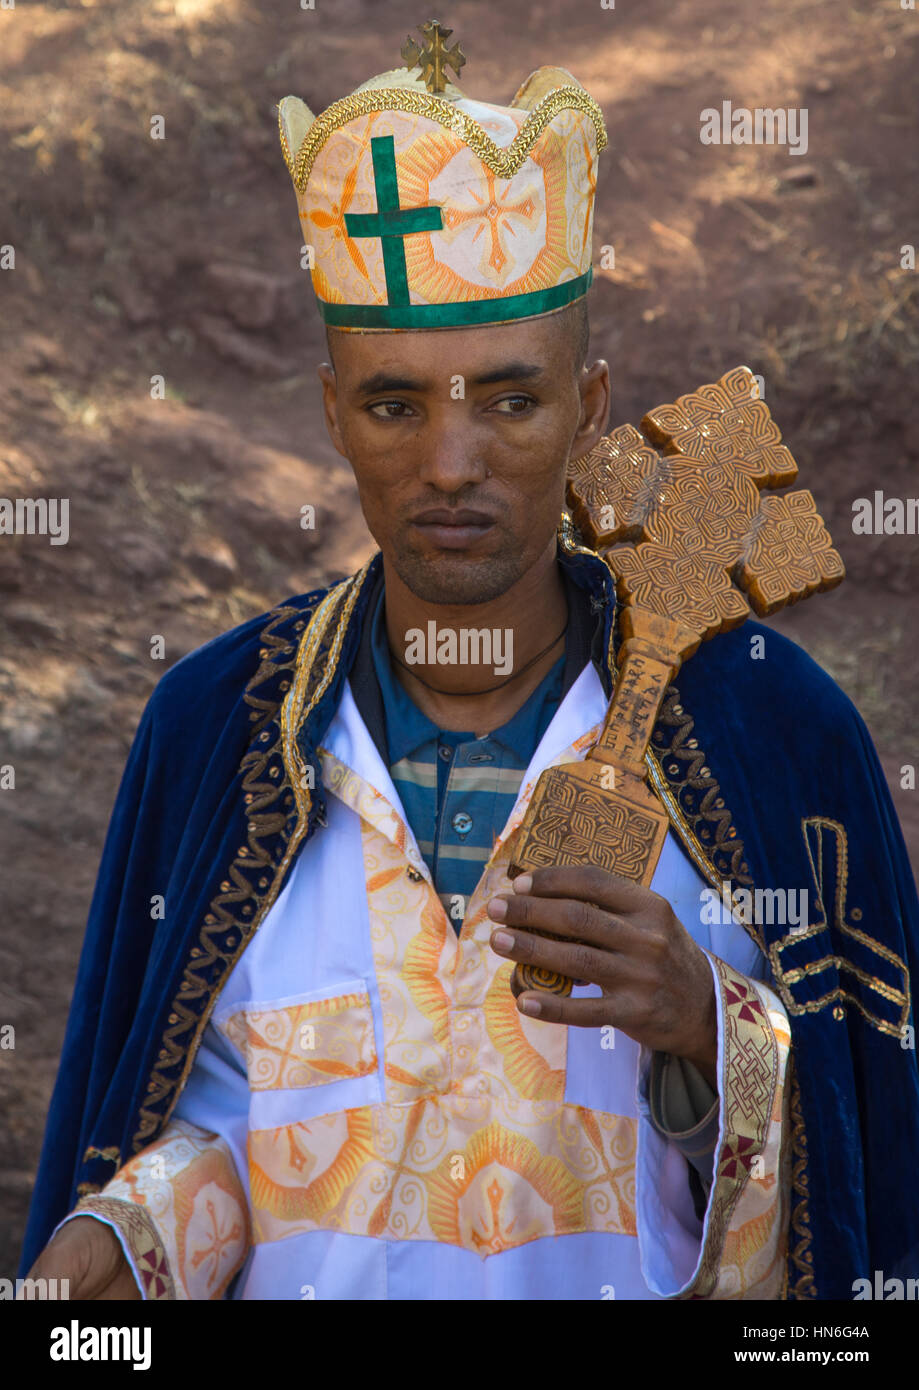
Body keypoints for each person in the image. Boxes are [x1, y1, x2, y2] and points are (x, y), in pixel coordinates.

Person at [20, 27, 919, 1301]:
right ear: (332, 413)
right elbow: (225, 1134)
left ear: (590, 405)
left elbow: (881, 1153)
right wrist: (131, 1237)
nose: (450, 464)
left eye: (508, 400)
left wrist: (709, 1029)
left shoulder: (772, 730)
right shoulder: (212, 729)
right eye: (394, 404)